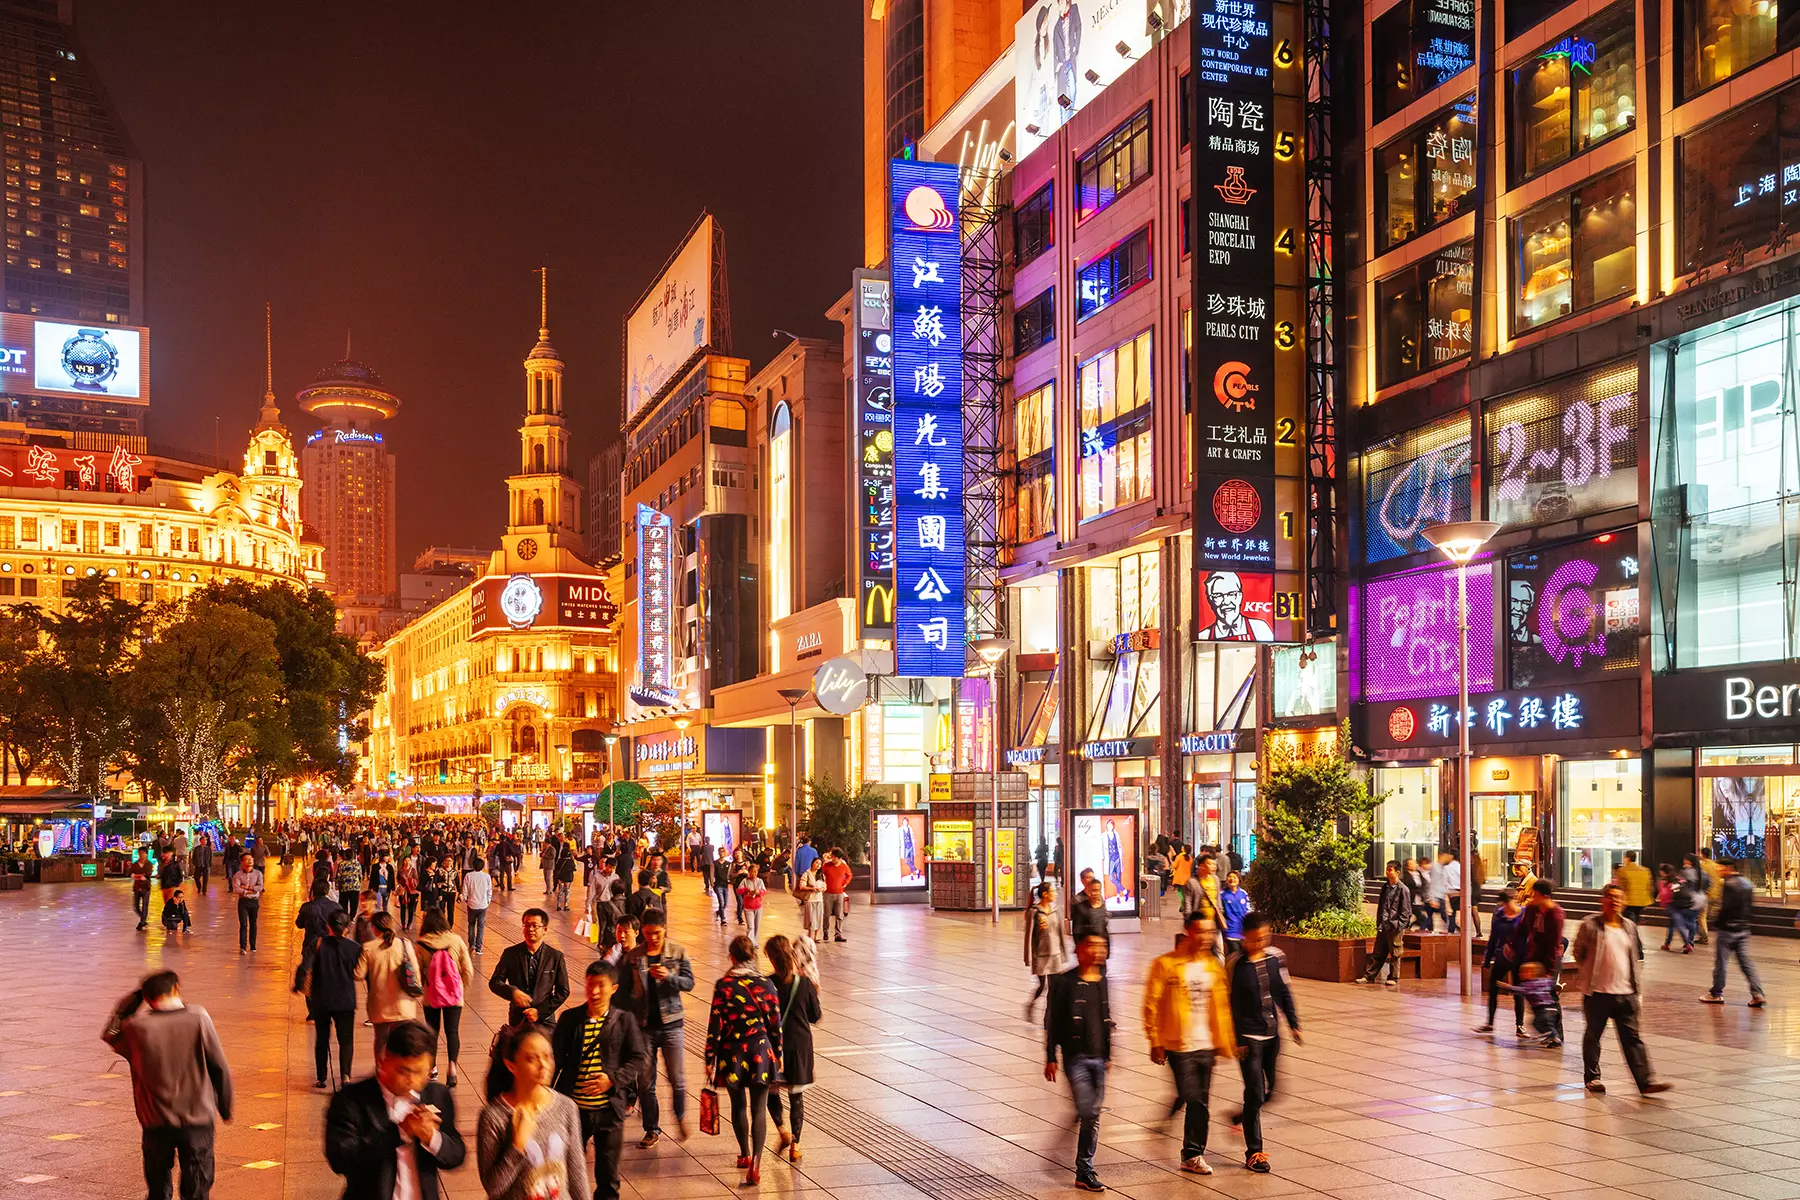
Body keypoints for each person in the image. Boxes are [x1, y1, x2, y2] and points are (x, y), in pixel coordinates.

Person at [104, 970, 233, 1200]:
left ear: (148, 997)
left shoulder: (137, 1027)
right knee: (197, 1188)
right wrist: (224, 1105)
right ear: (175, 989)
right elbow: (218, 1065)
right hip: (197, 1119)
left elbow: (111, 1033)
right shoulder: (198, 1018)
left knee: (158, 1186)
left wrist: (129, 1003)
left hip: (156, 1121)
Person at [325, 1019, 465, 1200]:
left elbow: (456, 1155)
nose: (411, 1080)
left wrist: (432, 1137)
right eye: (403, 1071)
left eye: (420, 1072)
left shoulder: (437, 1095)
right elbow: (341, 1160)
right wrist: (398, 1132)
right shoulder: (351, 1101)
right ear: (384, 1060)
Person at [1144, 912, 1235, 1175]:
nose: (1206, 937)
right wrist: (1155, 1039)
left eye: (1209, 932)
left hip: (1206, 1044)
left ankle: (1192, 1154)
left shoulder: (1212, 967)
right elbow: (1151, 1003)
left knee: (1201, 1101)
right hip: (1178, 1043)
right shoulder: (1165, 964)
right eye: (1200, 931)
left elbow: (1221, 1007)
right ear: (1187, 931)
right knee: (1192, 1097)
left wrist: (1225, 1040)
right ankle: (1192, 1152)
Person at [551, 963, 646, 1200]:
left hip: (609, 1111)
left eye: (600, 986)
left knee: (608, 1178)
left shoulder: (624, 1021)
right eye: (590, 985)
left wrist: (612, 1080)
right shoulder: (570, 1019)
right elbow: (555, 1060)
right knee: (567, 1172)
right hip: (573, 1111)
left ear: (613, 988)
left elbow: (637, 1058)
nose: (593, 991)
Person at [1573, 882, 1672, 1095]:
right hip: (1598, 992)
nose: (1615, 901)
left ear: (1624, 902)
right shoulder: (1590, 925)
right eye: (1611, 897)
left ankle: (1645, 1081)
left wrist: (1636, 989)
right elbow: (1578, 953)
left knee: (1633, 1039)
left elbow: (1634, 956)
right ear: (1603, 900)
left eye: (1619, 898)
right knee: (1593, 1036)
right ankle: (1593, 1078)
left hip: (1626, 993)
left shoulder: (1629, 926)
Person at [476, 1024, 590, 1200]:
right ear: (511, 1066)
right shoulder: (494, 1116)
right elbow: (493, 1188)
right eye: (531, 1059)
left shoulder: (566, 1107)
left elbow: (577, 1174)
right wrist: (517, 1147)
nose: (543, 1065)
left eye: (548, 1057)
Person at [704, 936, 783, 1186]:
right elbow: (775, 1023)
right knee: (759, 1108)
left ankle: (745, 1155)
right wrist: (778, 1054)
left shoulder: (724, 985)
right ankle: (758, 1162)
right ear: (752, 957)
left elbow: (715, 1023)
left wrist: (709, 1056)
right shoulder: (767, 984)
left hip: (732, 1053)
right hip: (760, 1050)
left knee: (738, 1106)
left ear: (732, 957)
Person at [1228, 912, 1300, 1174]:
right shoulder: (1236, 964)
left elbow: (1282, 991)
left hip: (1272, 1035)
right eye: (1256, 938)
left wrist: (1293, 1023)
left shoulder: (1275, 958)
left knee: (1274, 1092)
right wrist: (1236, 1039)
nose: (1261, 942)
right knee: (1255, 1092)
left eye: (1265, 937)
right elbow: (1230, 1004)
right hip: (1249, 1039)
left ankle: (1242, 1116)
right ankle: (1254, 1152)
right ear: (1245, 936)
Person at [622, 909, 695, 1147]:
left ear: (664, 929)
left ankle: (681, 1116)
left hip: (672, 1023)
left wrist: (669, 978)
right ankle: (651, 1129)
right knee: (645, 1081)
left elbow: (689, 983)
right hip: (643, 1027)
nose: (652, 938)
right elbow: (622, 989)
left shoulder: (677, 952)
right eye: (647, 933)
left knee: (677, 1078)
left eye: (657, 933)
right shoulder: (633, 956)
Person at [1044, 933, 1111, 1193]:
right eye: (1092, 946)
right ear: (1079, 949)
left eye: (1101, 947)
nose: (1098, 951)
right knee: (1089, 1113)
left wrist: (1109, 1054)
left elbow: (1105, 1016)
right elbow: (1053, 1021)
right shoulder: (1064, 982)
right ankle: (1085, 1168)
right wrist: (1050, 1056)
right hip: (1076, 1058)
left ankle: (1084, 1170)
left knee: (1090, 1116)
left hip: (1098, 1057)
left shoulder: (1102, 980)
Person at [764, 934, 821, 1165]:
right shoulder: (804, 983)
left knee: (771, 1091)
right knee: (797, 1096)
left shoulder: (766, 984)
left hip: (773, 1048)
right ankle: (795, 1146)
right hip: (799, 1047)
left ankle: (782, 1130)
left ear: (771, 958)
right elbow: (815, 1016)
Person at [487, 909, 570, 1032]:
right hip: (518, 1019)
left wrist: (539, 1012)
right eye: (526, 925)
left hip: (545, 1019)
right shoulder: (511, 953)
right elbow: (495, 982)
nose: (530, 929)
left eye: (535, 926)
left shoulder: (555, 956)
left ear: (545, 929)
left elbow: (563, 991)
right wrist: (512, 992)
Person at [356, 912, 424, 1059]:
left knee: (381, 1041)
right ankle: (400, 1073)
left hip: (380, 1005)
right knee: (402, 1042)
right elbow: (415, 972)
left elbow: (358, 974)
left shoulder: (368, 948)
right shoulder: (405, 944)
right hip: (403, 1004)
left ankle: (381, 1073)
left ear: (374, 928)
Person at [308, 910, 363, 1089]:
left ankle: (321, 1077)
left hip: (321, 999)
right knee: (346, 1039)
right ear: (347, 928)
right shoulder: (354, 948)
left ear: (328, 926)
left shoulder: (317, 944)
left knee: (322, 1038)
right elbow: (358, 973)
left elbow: (307, 967)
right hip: (345, 999)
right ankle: (345, 1076)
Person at [419, 910, 474, 1088]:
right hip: (453, 995)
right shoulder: (456, 940)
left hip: (431, 995)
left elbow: (417, 972)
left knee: (432, 1031)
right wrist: (459, 987)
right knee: (452, 1031)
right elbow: (468, 970)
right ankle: (452, 1069)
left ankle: (432, 1068)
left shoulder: (421, 943)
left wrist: (425, 987)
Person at [1702, 858, 1767, 1007]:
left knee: (1721, 963)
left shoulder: (1729, 885)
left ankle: (1716, 993)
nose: (1718, 870)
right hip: (1743, 929)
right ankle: (1758, 993)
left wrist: (1718, 923)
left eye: (1720, 867)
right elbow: (1751, 908)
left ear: (1728, 868)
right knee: (1746, 963)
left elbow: (1727, 908)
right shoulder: (1747, 883)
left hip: (1728, 930)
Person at [1518, 879, 1567, 1047]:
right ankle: (1547, 1030)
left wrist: (1550, 971)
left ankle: (1557, 1034)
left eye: (1534, 893)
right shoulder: (1532, 908)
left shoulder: (1556, 914)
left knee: (1550, 996)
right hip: (1534, 957)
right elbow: (1523, 929)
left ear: (1543, 895)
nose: (1531, 896)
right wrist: (1512, 946)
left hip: (1550, 959)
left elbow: (1553, 944)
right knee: (1535, 996)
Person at [1474, 888, 1527, 1036]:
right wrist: (1487, 958)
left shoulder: (1524, 915)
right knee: (1493, 989)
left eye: (1509, 902)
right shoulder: (1499, 914)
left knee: (1518, 992)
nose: (1507, 906)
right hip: (1502, 957)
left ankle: (1520, 1025)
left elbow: (1529, 937)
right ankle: (1489, 1023)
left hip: (1519, 958)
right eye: (1504, 903)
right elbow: (1493, 938)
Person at [1024, 881, 1072, 1019]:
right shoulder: (1034, 912)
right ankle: (1031, 1005)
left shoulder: (1056, 911)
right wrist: (1027, 957)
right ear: (1045, 894)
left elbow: (1060, 933)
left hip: (1055, 954)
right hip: (1041, 955)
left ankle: (1049, 1016)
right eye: (1052, 892)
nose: (1055, 894)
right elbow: (1028, 936)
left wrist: (1064, 954)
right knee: (1042, 986)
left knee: (1054, 987)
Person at [1360, 861, 1410, 986]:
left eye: (1390, 870)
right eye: (1387, 870)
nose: (1387, 872)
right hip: (1384, 925)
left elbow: (1406, 910)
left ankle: (1393, 977)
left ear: (1397, 872)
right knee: (1378, 952)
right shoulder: (1385, 887)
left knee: (1395, 953)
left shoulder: (1403, 889)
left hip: (1394, 927)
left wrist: (1399, 925)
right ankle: (1369, 976)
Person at [1613, 850, 1652, 960]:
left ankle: (1639, 951)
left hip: (1628, 902)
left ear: (1627, 858)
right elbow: (1649, 886)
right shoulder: (1645, 870)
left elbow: (1621, 888)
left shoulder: (1622, 870)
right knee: (1630, 925)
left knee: (1631, 927)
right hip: (1641, 902)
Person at [229, 853, 264, 954]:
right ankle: (243, 947)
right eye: (247, 859)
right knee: (243, 925)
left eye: (251, 859)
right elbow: (236, 889)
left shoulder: (258, 874)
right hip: (243, 902)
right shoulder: (238, 875)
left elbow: (260, 887)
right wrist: (246, 891)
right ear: (242, 862)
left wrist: (247, 888)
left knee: (253, 923)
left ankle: (253, 945)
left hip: (254, 901)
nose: (250, 861)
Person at [461, 857, 493, 955]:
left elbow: (465, 889)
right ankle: (479, 948)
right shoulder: (487, 877)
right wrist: (488, 901)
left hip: (471, 904)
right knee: (481, 927)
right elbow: (489, 890)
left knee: (471, 925)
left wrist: (466, 899)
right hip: (483, 905)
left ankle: (471, 944)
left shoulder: (468, 875)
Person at [820, 849, 853, 943]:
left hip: (839, 893)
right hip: (828, 893)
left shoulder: (844, 866)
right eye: (832, 856)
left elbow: (849, 875)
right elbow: (820, 875)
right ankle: (825, 932)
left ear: (839, 858)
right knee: (826, 914)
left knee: (839, 915)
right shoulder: (826, 866)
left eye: (834, 857)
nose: (832, 858)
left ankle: (838, 934)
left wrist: (845, 883)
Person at [1071, 873, 1110, 950]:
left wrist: (1107, 948)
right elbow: (1077, 930)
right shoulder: (1079, 905)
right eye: (1088, 877)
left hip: (1100, 947)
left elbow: (1103, 929)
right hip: (1088, 948)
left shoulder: (1101, 905)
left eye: (1098, 890)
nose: (1096, 893)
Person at [1219, 871, 1252, 955]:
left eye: (1234, 877)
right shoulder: (1222, 894)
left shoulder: (1244, 893)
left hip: (1242, 930)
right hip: (1230, 930)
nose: (1232, 879)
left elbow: (1249, 910)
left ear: (1239, 880)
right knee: (1235, 954)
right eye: (1229, 877)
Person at [736, 861, 768, 944]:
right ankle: (750, 943)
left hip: (758, 906)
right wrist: (746, 890)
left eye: (755, 872)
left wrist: (758, 892)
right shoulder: (745, 881)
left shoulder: (760, 881)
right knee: (751, 927)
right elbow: (738, 891)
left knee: (756, 926)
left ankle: (755, 942)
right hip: (748, 907)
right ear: (749, 872)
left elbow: (764, 891)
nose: (753, 874)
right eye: (752, 872)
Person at [336, 851, 365, 915]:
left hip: (344, 887)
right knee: (354, 904)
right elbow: (360, 875)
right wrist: (359, 883)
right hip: (355, 887)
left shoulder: (341, 864)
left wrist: (337, 885)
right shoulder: (357, 863)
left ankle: (345, 916)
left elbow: (339, 875)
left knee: (343, 903)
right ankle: (352, 917)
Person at [132, 847, 154, 930]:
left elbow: (147, 874)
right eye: (139, 853)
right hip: (137, 887)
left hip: (146, 887)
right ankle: (143, 920)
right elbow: (131, 874)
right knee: (136, 907)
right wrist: (139, 876)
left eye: (143, 853)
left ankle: (142, 922)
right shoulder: (135, 864)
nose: (141, 855)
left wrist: (136, 876)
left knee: (145, 906)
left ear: (146, 854)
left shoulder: (149, 864)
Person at [710, 855, 731, 926]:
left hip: (725, 885)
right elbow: (712, 873)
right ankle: (723, 919)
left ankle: (718, 912)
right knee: (721, 902)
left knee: (725, 903)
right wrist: (712, 883)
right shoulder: (715, 863)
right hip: (718, 885)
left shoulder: (728, 863)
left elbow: (729, 874)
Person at [553, 848, 577, 913]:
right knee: (567, 891)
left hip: (561, 878)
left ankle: (558, 905)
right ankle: (566, 906)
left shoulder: (560, 860)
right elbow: (574, 868)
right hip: (568, 878)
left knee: (560, 891)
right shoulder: (571, 861)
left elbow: (557, 868)